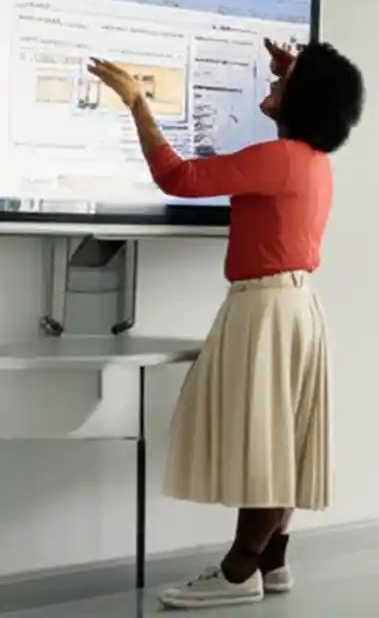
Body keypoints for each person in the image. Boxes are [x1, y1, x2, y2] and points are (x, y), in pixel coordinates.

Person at [87, 39, 365, 609]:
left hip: (265, 307)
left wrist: (139, 103)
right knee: (281, 436)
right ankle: (272, 561)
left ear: (302, 99)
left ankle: (239, 573)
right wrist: (298, 71)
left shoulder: (281, 157)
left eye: (285, 81)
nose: (272, 83)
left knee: (264, 439)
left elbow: (179, 178)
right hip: (296, 305)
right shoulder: (311, 159)